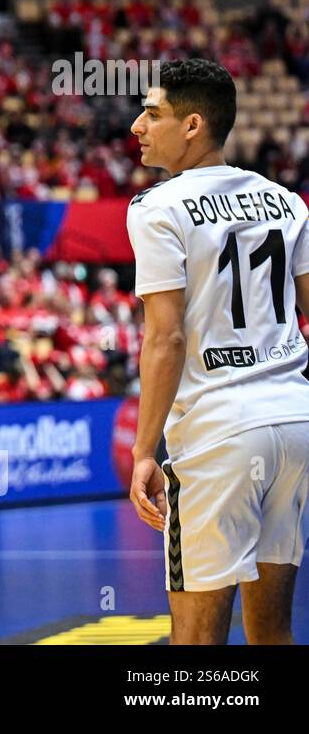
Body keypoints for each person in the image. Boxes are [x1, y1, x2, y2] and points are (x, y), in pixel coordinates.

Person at [127, 57, 309, 644]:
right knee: (272, 630)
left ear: (192, 125)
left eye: (152, 113)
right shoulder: (286, 201)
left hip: (219, 433)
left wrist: (143, 451)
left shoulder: (156, 207)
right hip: (294, 423)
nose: (136, 125)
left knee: (197, 642)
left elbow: (166, 338)